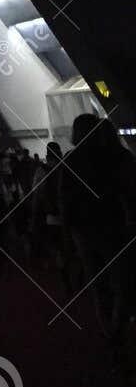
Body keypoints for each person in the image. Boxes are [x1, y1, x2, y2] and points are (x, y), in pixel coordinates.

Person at [59, 115, 136, 350]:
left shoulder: (71, 161)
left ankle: (110, 331)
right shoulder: (118, 158)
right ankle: (118, 325)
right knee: (121, 281)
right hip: (115, 227)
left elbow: (64, 200)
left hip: (84, 230)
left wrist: (67, 231)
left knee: (99, 284)